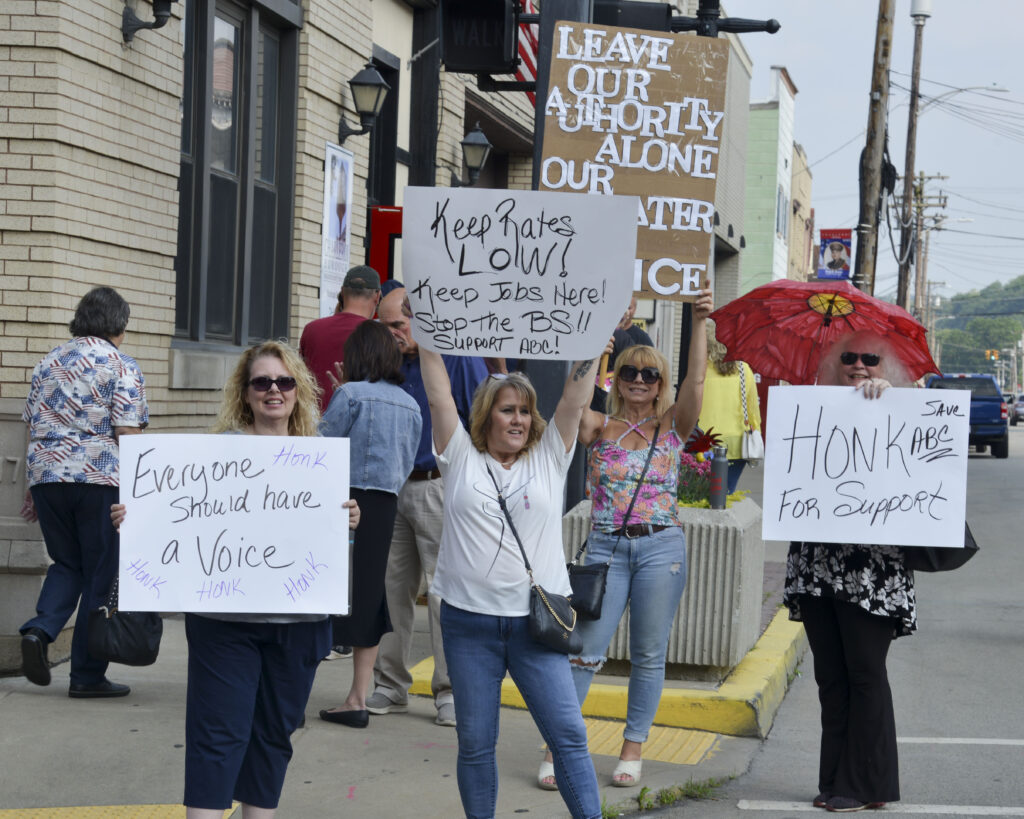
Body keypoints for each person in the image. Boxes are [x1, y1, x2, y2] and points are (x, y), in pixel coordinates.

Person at [112, 340, 361, 818]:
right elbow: (169, 510)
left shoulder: (319, 459)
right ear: (245, 393)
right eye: (262, 382)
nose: (274, 390)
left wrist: (348, 522)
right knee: (217, 733)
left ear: (299, 391)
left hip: (300, 624)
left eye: (284, 382)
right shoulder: (212, 453)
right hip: (225, 621)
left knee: (274, 734)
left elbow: (319, 549)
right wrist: (136, 517)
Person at [539, 286, 714, 790]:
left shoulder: (672, 427)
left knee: (648, 653)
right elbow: (570, 402)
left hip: (661, 548)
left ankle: (633, 747)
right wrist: (600, 335)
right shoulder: (598, 425)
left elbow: (697, 381)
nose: (639, 380)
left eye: (650, 374)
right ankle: (559, 746)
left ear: (661, 385)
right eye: (631, 372)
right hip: (606, 548)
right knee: (584, 649)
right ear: (618, 379)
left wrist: (698, 321)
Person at [422, 349, 604, 819]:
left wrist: (597, 332)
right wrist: (427, 336)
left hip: (537, 627)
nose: (519, 419)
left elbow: (574, 397)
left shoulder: (549, 458)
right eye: (508, 410)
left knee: (568, 735)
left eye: (525, 410)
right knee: (477, 744)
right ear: (487, 416)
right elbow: (439, 394)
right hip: (469, 626)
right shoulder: (459, 454)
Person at [784, 330, 916, 813]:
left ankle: (867, 784)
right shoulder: (810, 406)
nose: (859, 365)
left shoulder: (900, 405)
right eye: (848, 357)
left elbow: (924, 456)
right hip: (818, 564)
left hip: (871, 569)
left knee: (864, 674)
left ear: (889, 367)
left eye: (871, 359)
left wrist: (894, 401)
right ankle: (836, 779)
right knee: (830, 678)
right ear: (830, 363)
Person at [364, 286, 488, 728]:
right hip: (391, 487)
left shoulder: (456, 355)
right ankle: (390, 684)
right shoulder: (386, 360)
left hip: (440, 486)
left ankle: (450, 690)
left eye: (398, 325)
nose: (392, 334)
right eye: (385, 326)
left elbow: (483, 415)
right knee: (391, 589)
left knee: (443, 594)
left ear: (421, 319)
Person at [19, 286, 148, 698]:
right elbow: (128, 431)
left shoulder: (47, 362)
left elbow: (32, 425)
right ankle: (87, 676)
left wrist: (31, 485)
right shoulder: (122, 365)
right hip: (98, 480)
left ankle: (40, 631)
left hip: (46, 477)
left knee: (65, 562)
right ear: (120, 327)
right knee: (100, 571)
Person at [318, 321, 421, 728]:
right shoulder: (410, 403)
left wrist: (341, 391)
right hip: (386, 505)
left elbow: (321, 449)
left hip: (342, 499)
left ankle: (293, 692)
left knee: (323, 590)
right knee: (369, 597)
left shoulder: (349, 394)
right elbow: (409, 461)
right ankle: (358, 696)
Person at [299, 265, 381, 412]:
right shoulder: (380, 336)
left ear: (342, 292)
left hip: (313, 419)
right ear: (377, 296)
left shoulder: (311, 329)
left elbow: (301, 374)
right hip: (358, 418)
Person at [697, 321, 762, 493]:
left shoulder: (699, 369)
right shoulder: (743, 369)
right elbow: (753, 410)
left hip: (703, 443)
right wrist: (757, 432)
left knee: (702, 495)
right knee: (726, 493)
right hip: (737, 443)